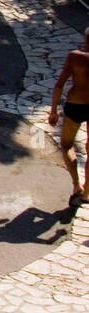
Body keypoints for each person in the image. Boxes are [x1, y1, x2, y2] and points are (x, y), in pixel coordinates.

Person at [49, 28, 89, 203]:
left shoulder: (75, 56)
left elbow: (59, 85)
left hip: (75, 105)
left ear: (86, 38)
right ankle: (87, 192)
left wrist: (53, 111)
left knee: (66, 145)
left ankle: (76, 185)